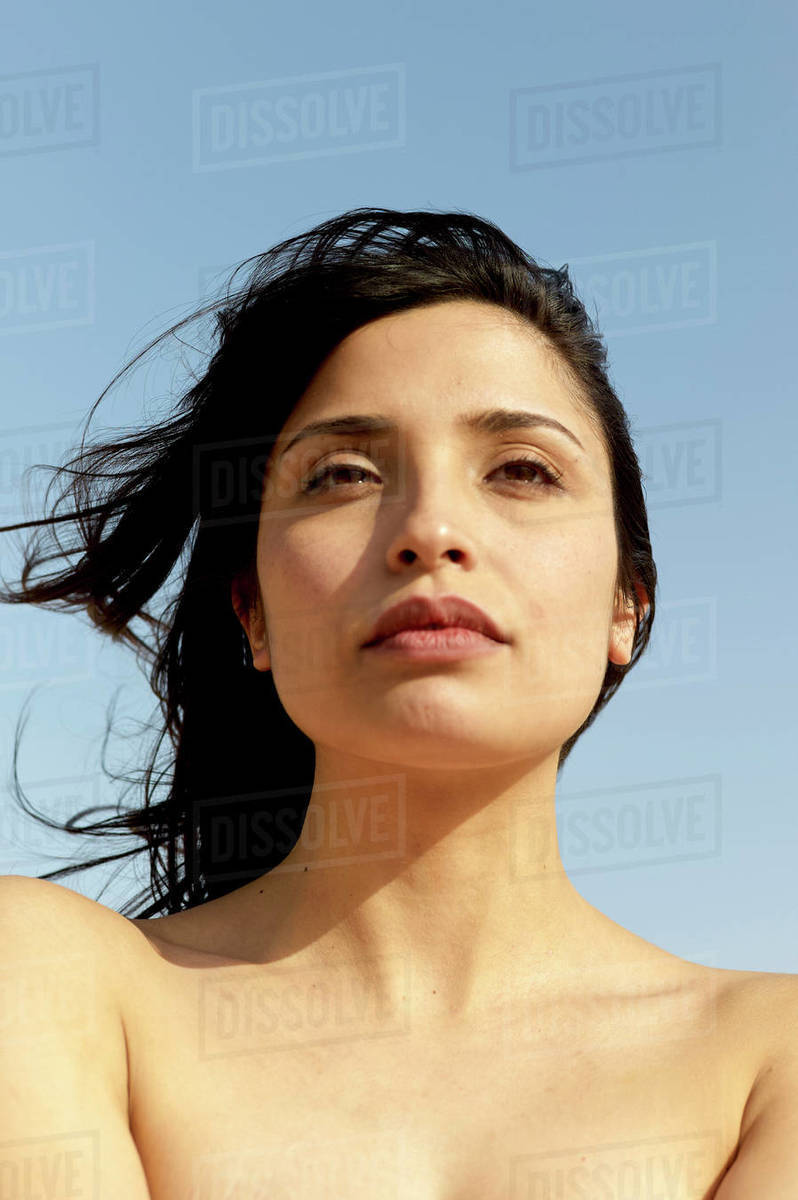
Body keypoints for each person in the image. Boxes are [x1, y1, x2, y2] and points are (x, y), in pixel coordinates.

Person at [0, 208, 794, 1196]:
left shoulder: (771, 1061)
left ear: (625, 606)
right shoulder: (49, 982)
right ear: (252, 612)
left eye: (522, 470)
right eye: (343, 474)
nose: (431, 529)